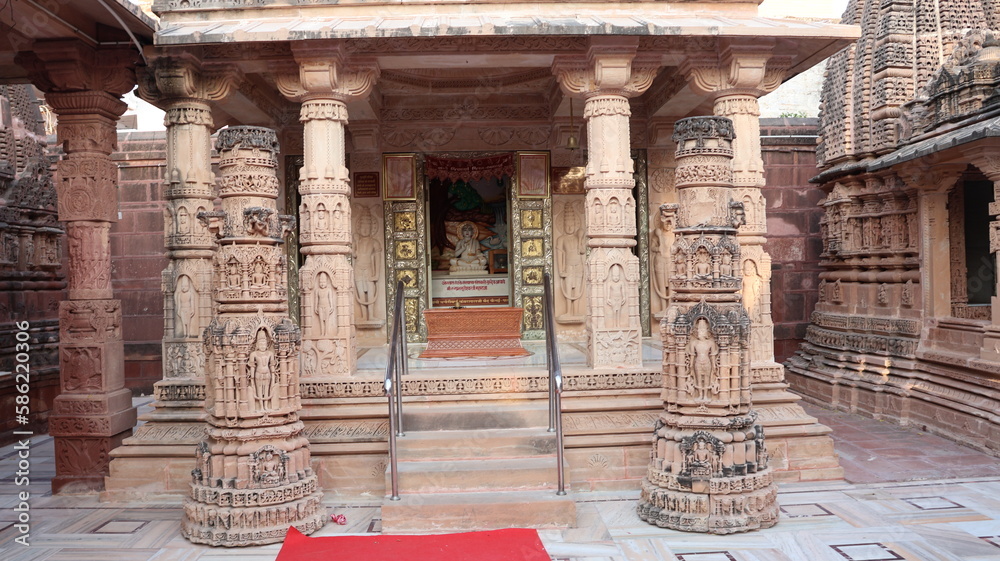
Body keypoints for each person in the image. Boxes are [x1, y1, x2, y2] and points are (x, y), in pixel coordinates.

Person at [248, 329, 276, 411]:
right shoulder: (253, 354)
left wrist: (273, 379)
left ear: (267, 344)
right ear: (257, 344)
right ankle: (261, 407)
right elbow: (252, 367)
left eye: (264, 344)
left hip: (267, 374)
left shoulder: (270, 354)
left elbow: (272, 367)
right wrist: (252, 379)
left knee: (267, 389)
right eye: (261, 344)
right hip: (258, 374)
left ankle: (266, 406)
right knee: (259, 390)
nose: (262, 346)